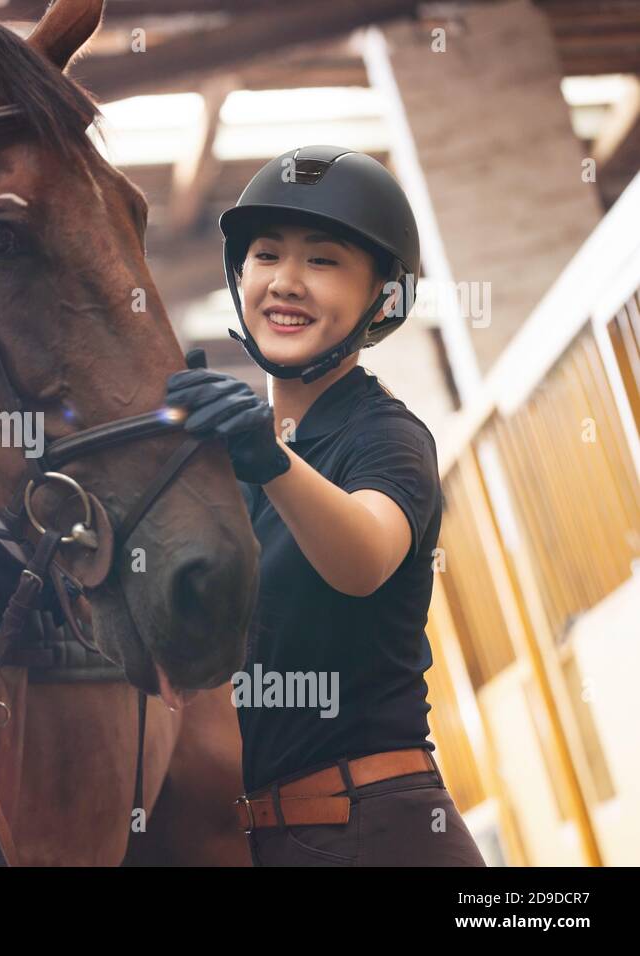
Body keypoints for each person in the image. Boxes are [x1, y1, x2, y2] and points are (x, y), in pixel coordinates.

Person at [165, 145, 485, 866]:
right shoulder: (225, 469)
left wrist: (269, 458)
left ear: (384, 297)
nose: (286, 281)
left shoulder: (388, 436)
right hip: (258, 839)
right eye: (266, 254)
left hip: (376, 829)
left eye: (323, 260)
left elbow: (362, 559)